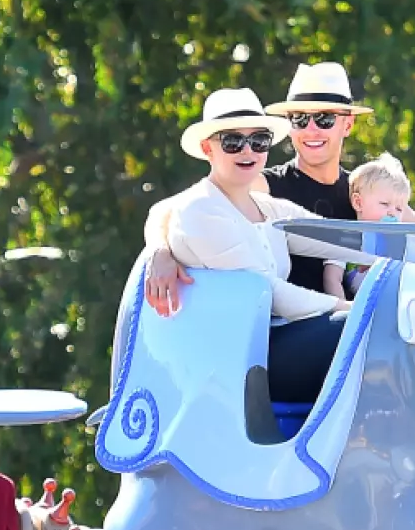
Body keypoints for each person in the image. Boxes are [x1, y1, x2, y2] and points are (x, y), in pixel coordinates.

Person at [142, 86, 374, 403]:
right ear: (208, 149)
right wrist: (353, 306)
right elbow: (269, 292)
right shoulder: (200, 210)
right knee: (366, 327)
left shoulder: (267, 207)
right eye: (233, 141)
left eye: (258, 140)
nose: (248, 151)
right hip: (244, 364)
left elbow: (339, 239)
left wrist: (406, 257)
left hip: (279, 342)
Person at [145, 61, 415, 316]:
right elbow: (169, 211)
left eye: (324, 119)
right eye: (299, 119)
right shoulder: (261, 185)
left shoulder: (367, 193)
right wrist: (159, 251)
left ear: (347, 124)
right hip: (291, 336)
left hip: (344, 331)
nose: (311, 130)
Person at [322, 152, 412, 301]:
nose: (392, 213)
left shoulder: (402, 240)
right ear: (358, 202)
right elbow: (332, 278)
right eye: (384, 204)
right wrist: (345, 311)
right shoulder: (346, 237)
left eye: (399, 209)